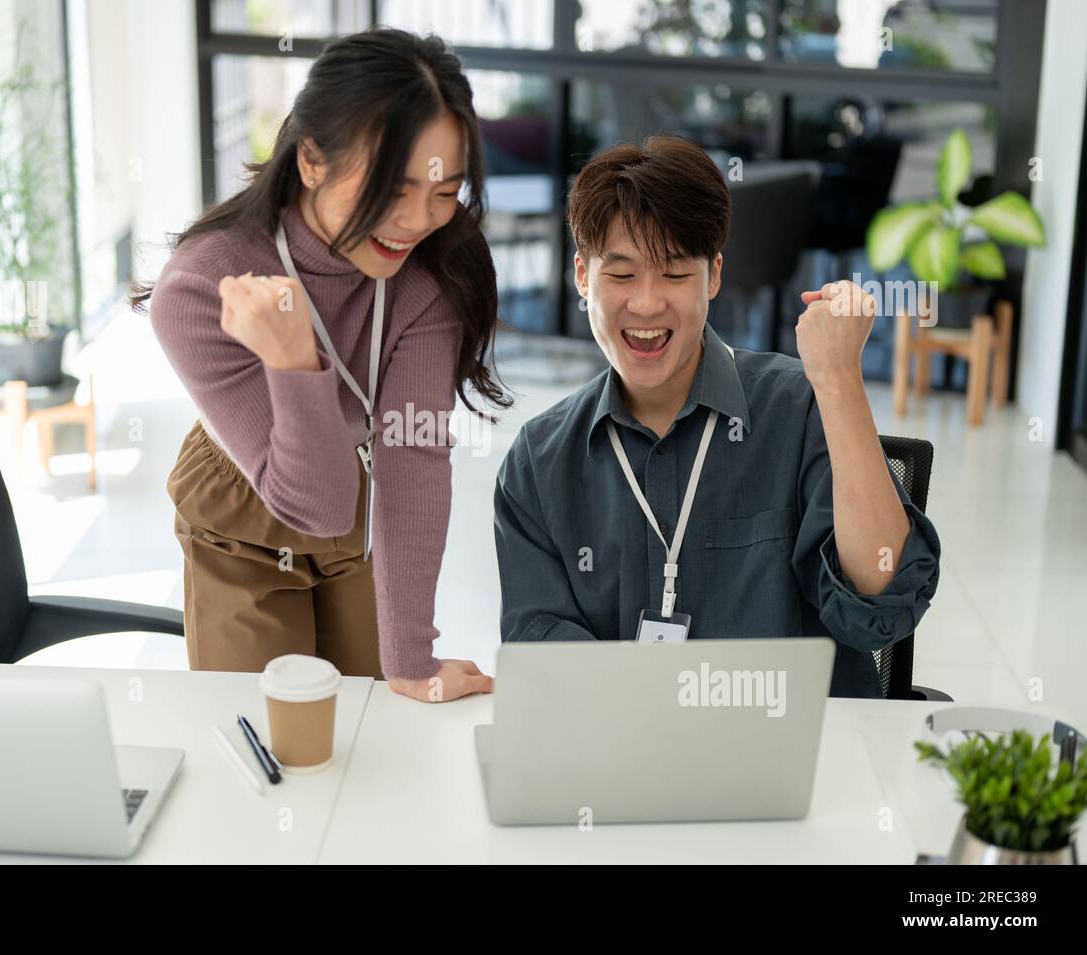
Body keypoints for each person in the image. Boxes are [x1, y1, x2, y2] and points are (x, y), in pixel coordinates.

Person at [493, 135, 941, 697]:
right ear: (583, 277)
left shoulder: (801, 406)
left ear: (714, 276)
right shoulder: (538, 462)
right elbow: (540, 650)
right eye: (623, 274)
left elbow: (880, 605)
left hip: (799, 760)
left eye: (676, 273)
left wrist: (840, 382)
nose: (649, 303)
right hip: (631, 758)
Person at [138, 29, 502, 702]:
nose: (419, 220)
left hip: (356, 490)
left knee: (375, 722)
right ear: (311, 159)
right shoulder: (199, 288)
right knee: (274, 739)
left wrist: (412, 663)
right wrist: (293, 359)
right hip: (241, 505)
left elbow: (412, 464)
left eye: (443, 190)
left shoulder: (427, 281)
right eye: (392, 187)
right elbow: (313, 502)